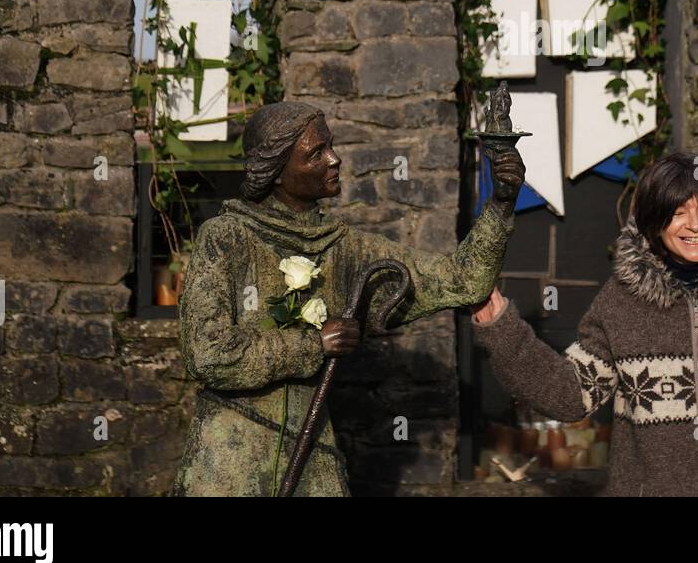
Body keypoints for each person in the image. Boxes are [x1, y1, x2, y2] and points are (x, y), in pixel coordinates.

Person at [174, 100, 525, 496]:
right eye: (316, 154)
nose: (334, 159)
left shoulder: (347, 250)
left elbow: (463, 281)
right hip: (229, 461)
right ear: (275, 170)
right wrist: (314, 344)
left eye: (332, 146)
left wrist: (500, 204)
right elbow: (208, 355)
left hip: (312, 457)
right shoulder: (227, 238)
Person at [471, 151, 698, 496]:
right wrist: (502, 329)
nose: (695, 224)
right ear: (653, 222)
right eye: (677, 213)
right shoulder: (622, 302)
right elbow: (570, 395)